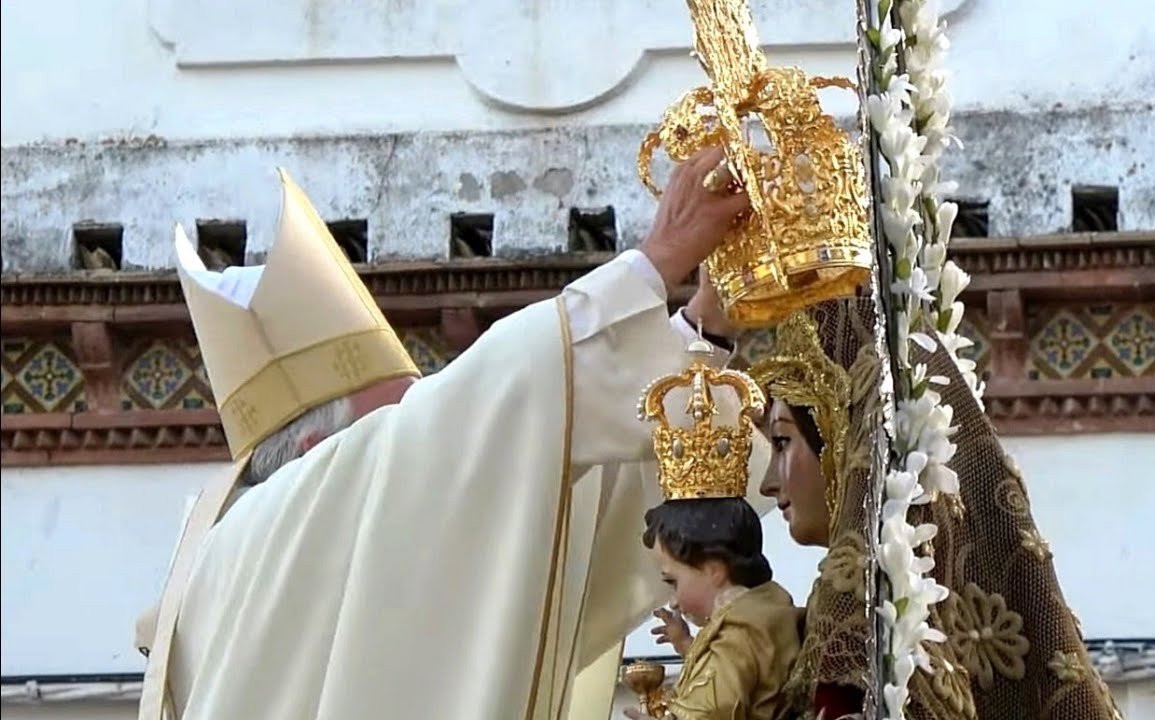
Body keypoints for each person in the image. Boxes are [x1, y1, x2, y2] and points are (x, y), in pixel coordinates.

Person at [134, 147, 776, 720]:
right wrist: (658, 258)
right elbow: (496, 400)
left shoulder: (278, 561)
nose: (423, 438)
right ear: (310, 455)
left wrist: (700, 339)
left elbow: (563, 525)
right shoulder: (276, 519)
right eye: (394, 423)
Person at [750, 299, 1126, 720]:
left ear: (845, 439)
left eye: (782, 442)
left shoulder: (865, 637)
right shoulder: (843, 622)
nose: (768, 482)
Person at [623, 497, 799, 720]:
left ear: (714, 570)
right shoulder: (763, 612)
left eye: (673, 581)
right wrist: (688, 645)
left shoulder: (740, 632)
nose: (673, 602)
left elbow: (713, 710)